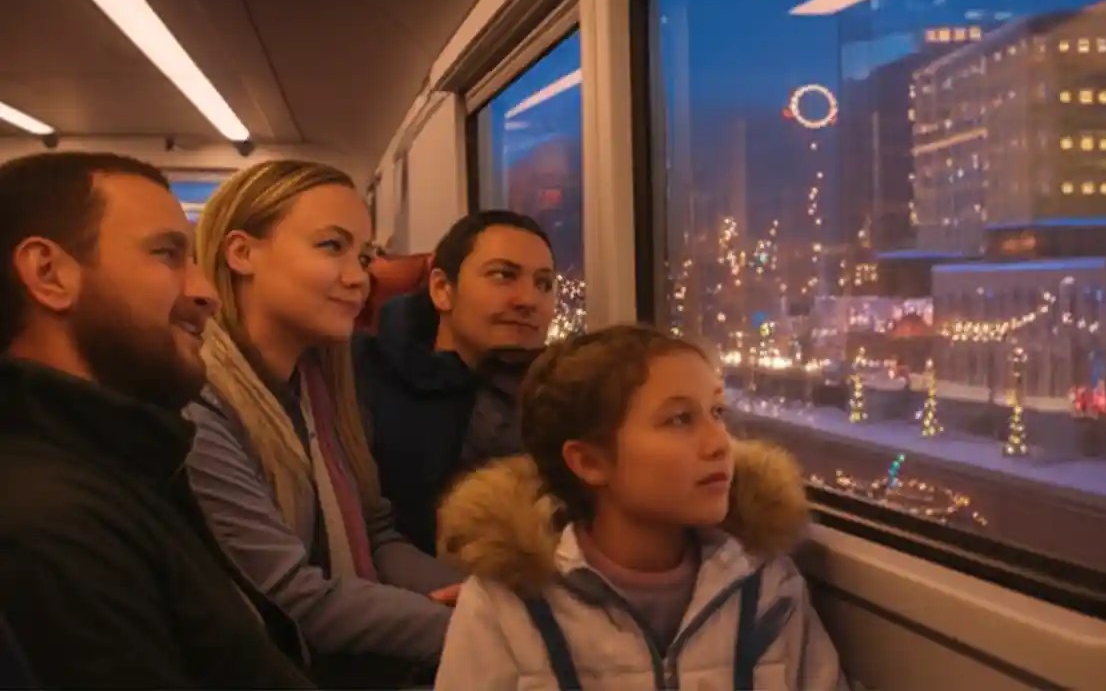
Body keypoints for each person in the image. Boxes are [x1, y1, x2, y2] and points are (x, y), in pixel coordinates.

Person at [0, 151, 313, 688]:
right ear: (49, 275)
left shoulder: (124, 459)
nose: (205, 293)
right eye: (167, 253)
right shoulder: (54, 525)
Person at [433, 325, 848, 689]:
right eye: (680, 420)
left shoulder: (764, 588)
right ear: (590, 462)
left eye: (716, 412)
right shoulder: (508, 605)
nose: (720, 442)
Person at [182, 160, 458, 687]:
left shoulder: (319, 385)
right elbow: (292, 597)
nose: (359, 277)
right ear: (241, 253)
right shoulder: (198, 400)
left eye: (365, 256)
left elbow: (375, 536)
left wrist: (479, 595)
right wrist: (487, 628)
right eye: (332, 246)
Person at [353, 210, 556, 554]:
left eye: (544, 284)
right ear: (442, 289)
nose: (529, 300)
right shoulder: (364, 376)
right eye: (504, 276)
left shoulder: (558, 398)